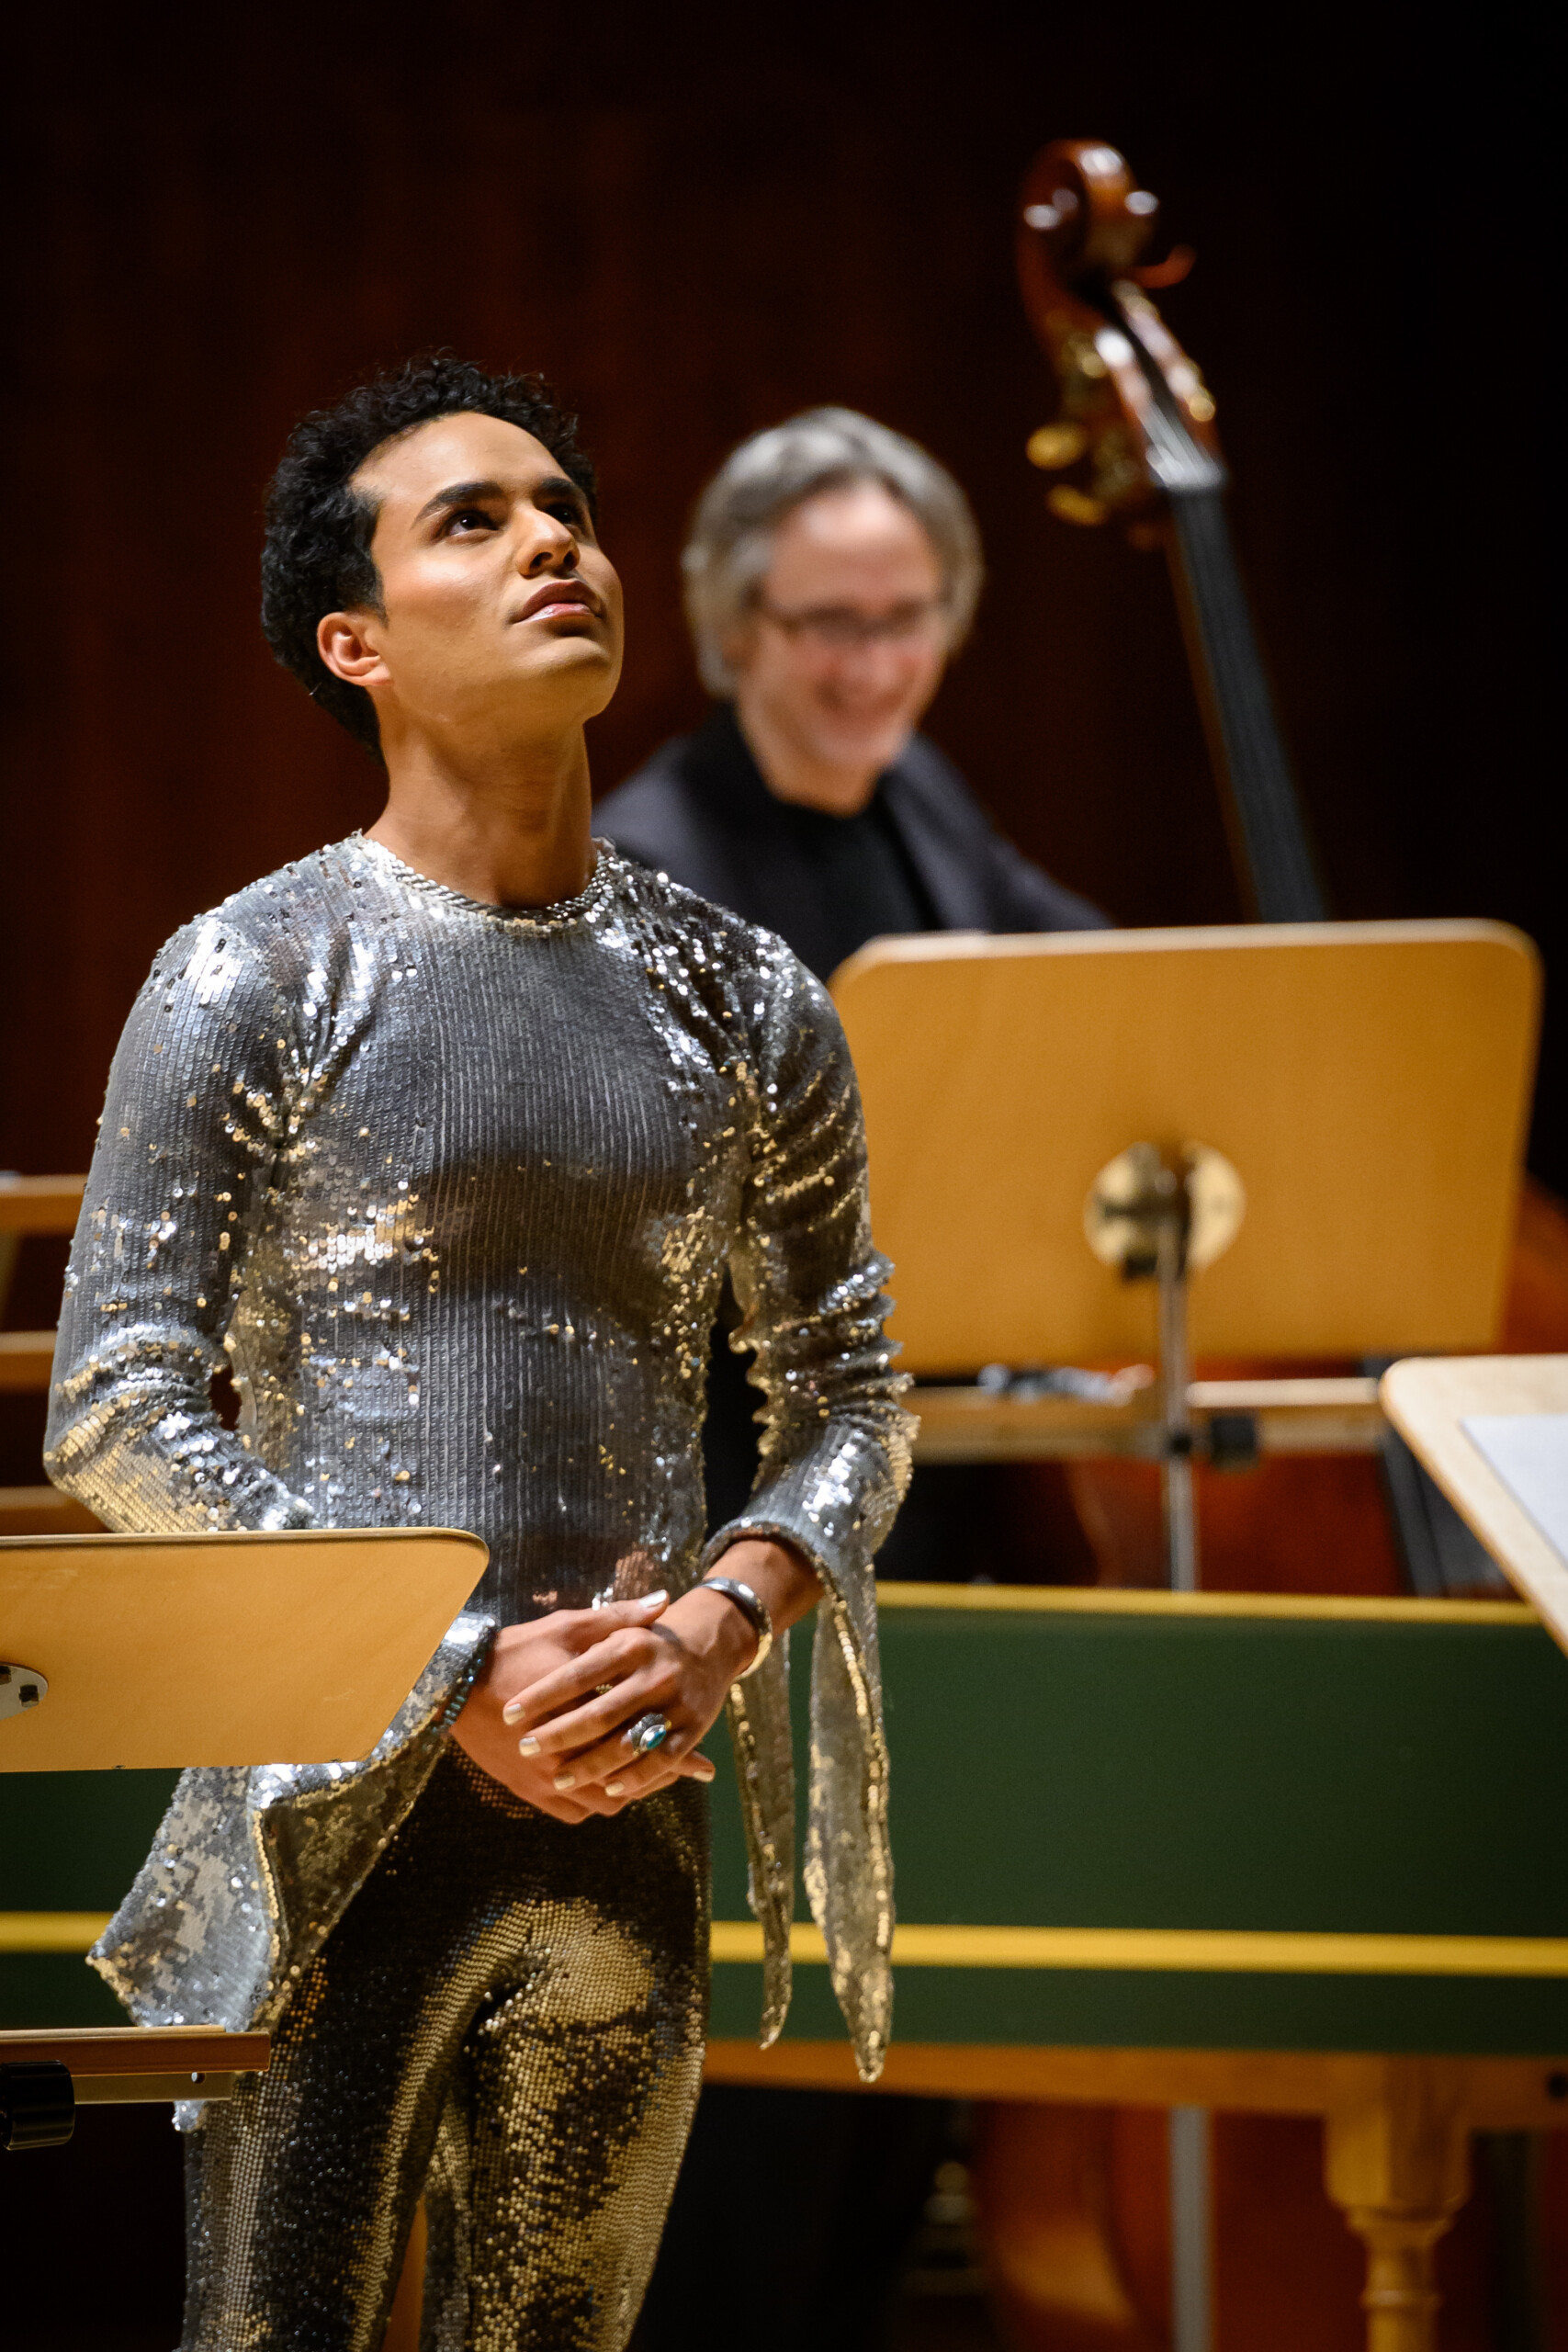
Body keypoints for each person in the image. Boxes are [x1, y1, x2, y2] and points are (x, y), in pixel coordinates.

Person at [44, 357, 912, 2352]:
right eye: (475, 518)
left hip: (634, 1795)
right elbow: (118, 1398)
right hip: (337, 1820)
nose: (555, 542)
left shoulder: (740, 987)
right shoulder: (252, 967)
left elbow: (852, 1392)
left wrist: (724, 1613)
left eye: (565, 508)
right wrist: (447, 1673)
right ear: (354, 643)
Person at [598, 411, 1107, 2350]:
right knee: (758, 2128)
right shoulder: (650, 862)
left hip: (941, 1527)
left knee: (896, 2124)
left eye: (901, 617)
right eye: (819, 621)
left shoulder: (928, 814)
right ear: (733, 628)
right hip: (740, 1548)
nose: (865, 661)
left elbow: (1098, 1006)